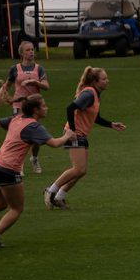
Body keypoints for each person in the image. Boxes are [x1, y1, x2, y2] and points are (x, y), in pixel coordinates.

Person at [0, 95, 67, 250]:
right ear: (36, 110)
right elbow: (55, 144)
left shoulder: (17, 119)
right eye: (44, 105)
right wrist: (67, 136)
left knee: (1, 203)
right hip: (8, 170)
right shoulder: (34, 127)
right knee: (17, 208)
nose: (46, 108)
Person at [44, 66, 126, 211]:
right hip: (75, 133)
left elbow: (96, 117)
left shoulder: (96, 94)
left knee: (81, 171)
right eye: (104, 79)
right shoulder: (89, 94)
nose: (108, 81)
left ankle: (59, 197)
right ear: (95, 81)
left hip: (81, 133)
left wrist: (111, 124)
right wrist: (72, 131)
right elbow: (70, 108)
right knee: (78, 169)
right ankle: (51, 191)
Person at [0, 40, 48, 173]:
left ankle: (34, 158)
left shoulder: (39, 68)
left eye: (32, 49)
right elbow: (7, 85)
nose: (31, 52)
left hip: (35, 109)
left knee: (36, 139)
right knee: (20, 137)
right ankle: (19, 165)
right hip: (19, 106)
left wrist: (34, 82)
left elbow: (46, 86)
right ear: (21, 53)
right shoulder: (15, 69)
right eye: (28, 50)